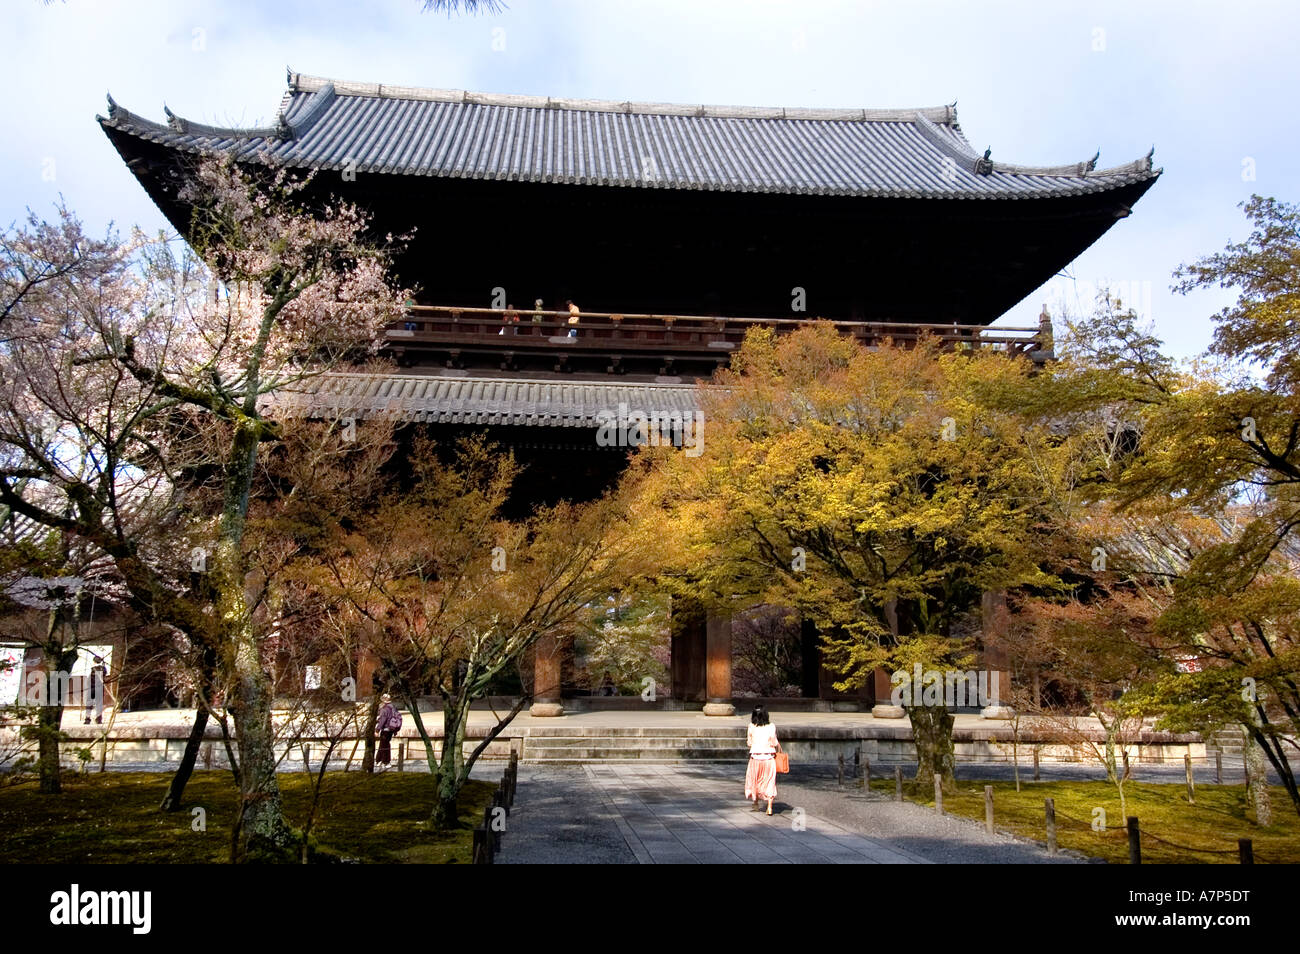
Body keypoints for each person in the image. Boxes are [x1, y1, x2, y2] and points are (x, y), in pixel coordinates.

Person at [745, 705, 781, 815]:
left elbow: (749, 743)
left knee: (754, 780)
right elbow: (774, 742)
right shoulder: (771, 726)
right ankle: (769, 807)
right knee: (769, 781)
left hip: (755, 757)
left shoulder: (751, 726)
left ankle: (755, 803)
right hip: (769, 758)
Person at [376, 693, 400, 770]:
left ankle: (386, 762)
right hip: (391, 729)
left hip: (385, 729)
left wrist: (377, 730)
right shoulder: (393, 708)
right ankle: (378, 760)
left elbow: (382, 721)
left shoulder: (384, 709)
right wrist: (395, 730)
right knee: (383, 744)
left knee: (384, 745)